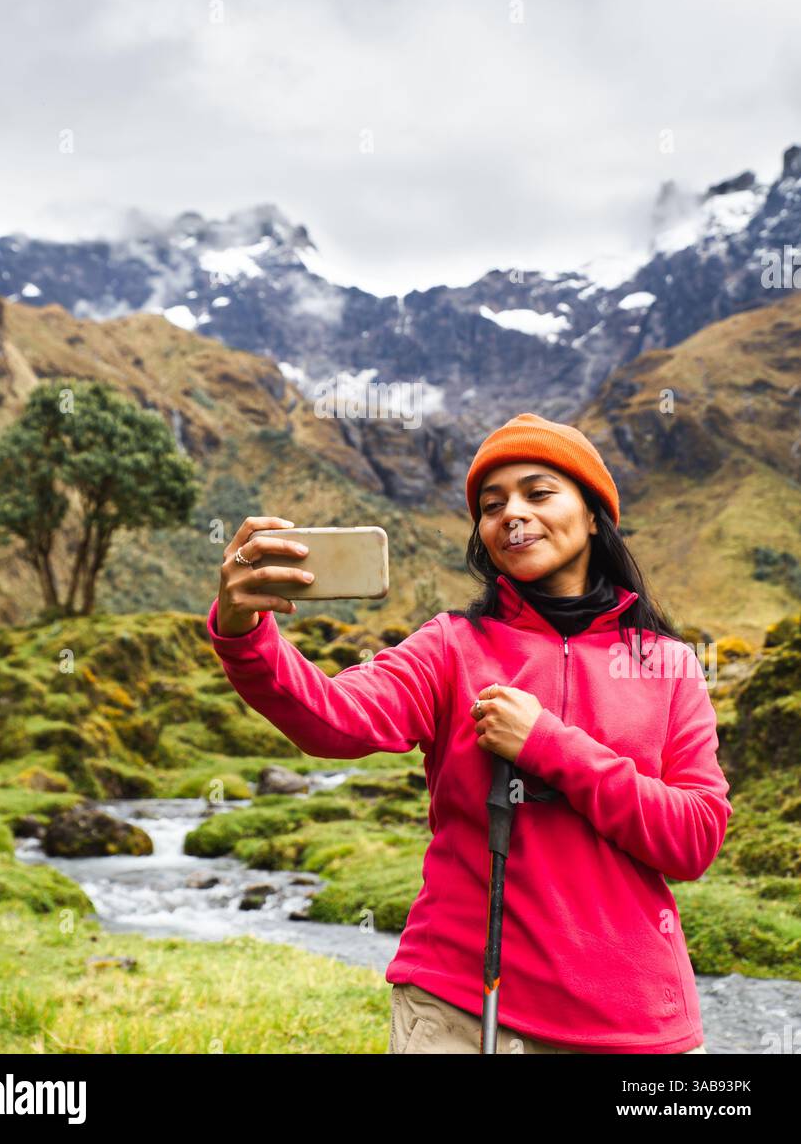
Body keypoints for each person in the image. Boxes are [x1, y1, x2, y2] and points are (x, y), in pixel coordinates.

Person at [206, 411, 732, 1054]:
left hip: (636, 1019)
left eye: (538, 493)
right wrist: (242, 632)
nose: (512, 513)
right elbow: (333, 721)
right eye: (492, 504)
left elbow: (695, 838)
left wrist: (548, 744)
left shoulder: (666, 663)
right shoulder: (451, 645)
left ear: (594, 514)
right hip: (458, 1007)